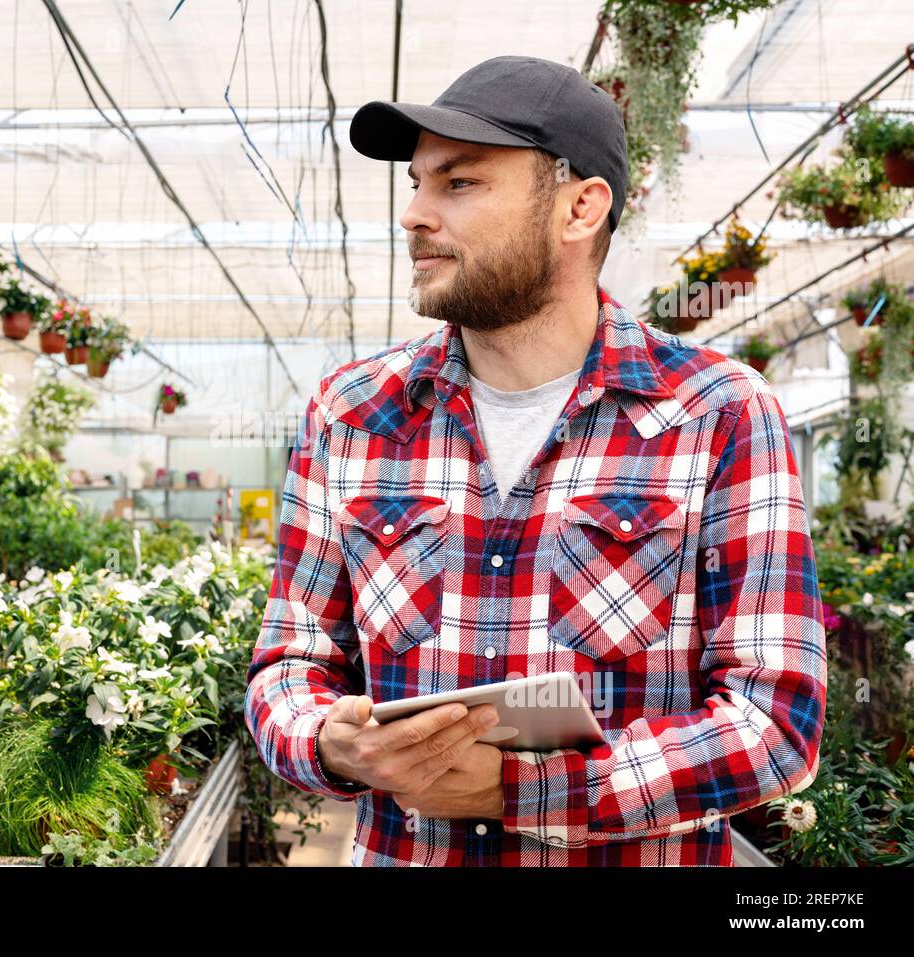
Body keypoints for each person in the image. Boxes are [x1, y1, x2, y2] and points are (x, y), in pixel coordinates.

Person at [244, 56, 826, 866]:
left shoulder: (716, 414)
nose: (413, 214)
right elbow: (290, 661)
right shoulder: (351, 415)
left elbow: (774, 723)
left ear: (579, 208)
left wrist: (516, 792)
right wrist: (332, 742)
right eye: (416, 183)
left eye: (460, 184)